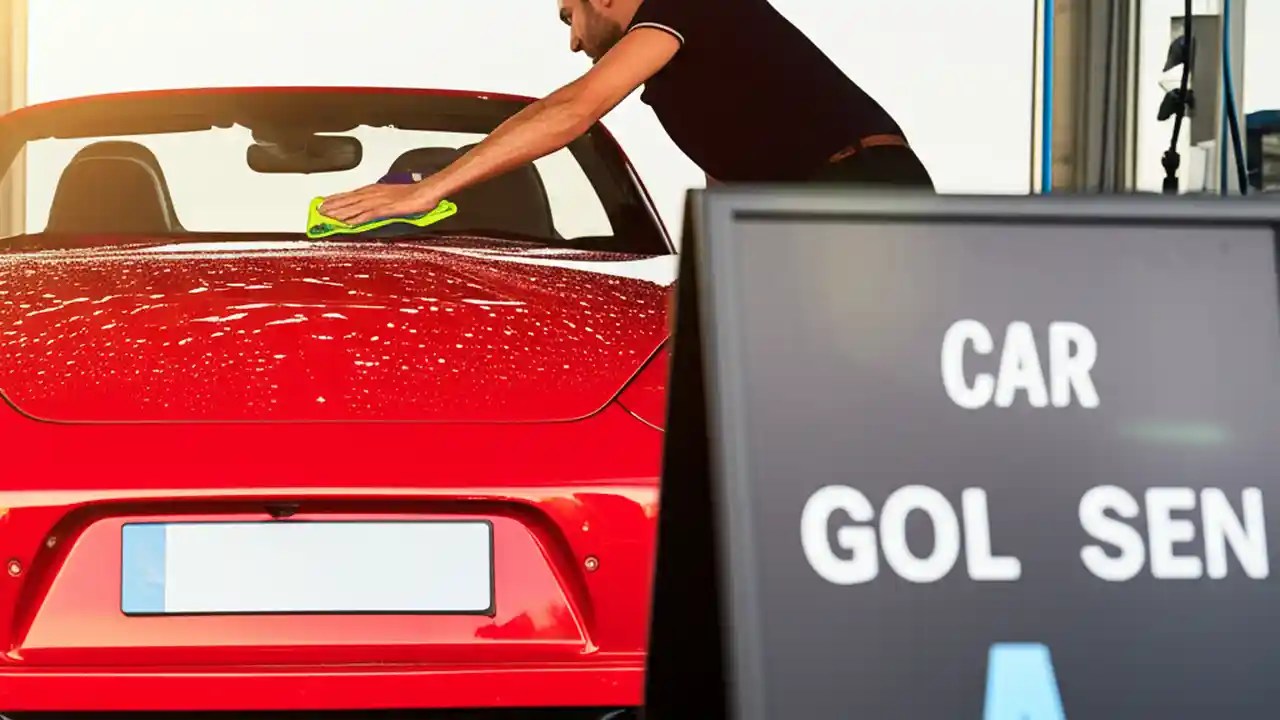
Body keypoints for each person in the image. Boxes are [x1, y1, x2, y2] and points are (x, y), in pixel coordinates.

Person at [319, 0, 934, 226]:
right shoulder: (687, 76)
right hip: (803, 210)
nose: (573, 42)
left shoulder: (686, 7)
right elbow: (726, 182)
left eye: (568, 17)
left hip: (859, 191)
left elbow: (574, 108)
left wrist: (431, 188)